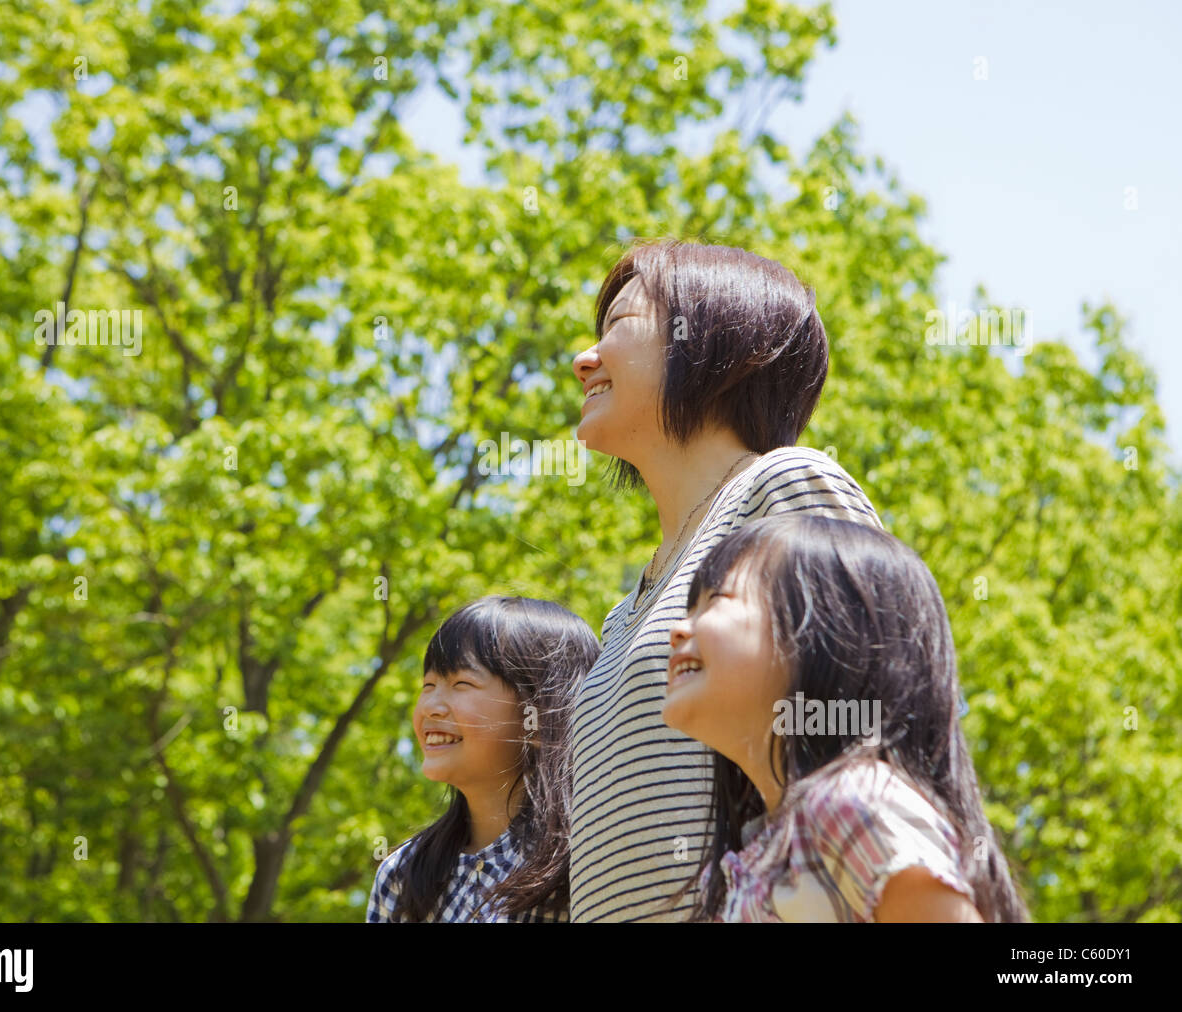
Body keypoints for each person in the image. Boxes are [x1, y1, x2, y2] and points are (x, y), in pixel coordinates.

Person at [569, 238, 883, 922]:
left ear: (719, 347)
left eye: (618, 328)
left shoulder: (787, 488)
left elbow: (878, 737)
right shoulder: (625, 611)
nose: (582, 360)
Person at [663, 514, 1028, 922]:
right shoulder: (747, 861)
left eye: (716, 600)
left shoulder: (850, 804)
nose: (678, 629)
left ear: (824, 637)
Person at [366, 596, 599, 921]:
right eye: (428, 684)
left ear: (539, 716)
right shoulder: (401, 875)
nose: (431, 705)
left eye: (462, 683)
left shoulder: (584, 861)